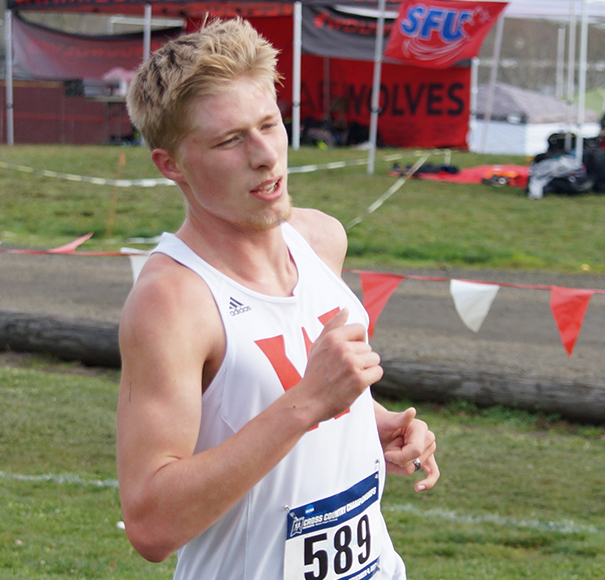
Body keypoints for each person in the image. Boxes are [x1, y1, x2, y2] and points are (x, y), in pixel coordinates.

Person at [116, 18, 439, 580]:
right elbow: (151, 523)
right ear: (171, 165)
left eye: (270, 124)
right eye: (230, 140)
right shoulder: (172, 301)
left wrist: (372, 421)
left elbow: (271, 395)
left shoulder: (320, 238)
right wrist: (309, 403)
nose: (266, 155)